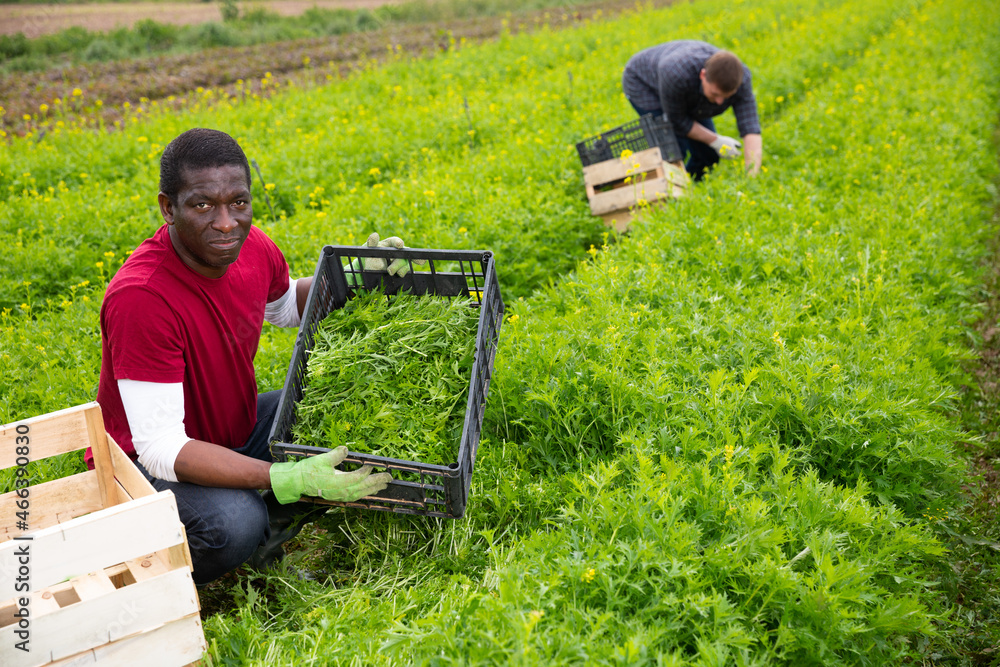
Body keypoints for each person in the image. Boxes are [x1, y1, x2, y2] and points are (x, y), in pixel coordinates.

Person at [90, 127, 400, 585]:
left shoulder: (251, 248)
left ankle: (266, 527)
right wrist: (282, 476)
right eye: (202, 205)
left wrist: (350, 280)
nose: (226, 222)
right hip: (138, 465)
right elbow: (159, 449)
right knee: (232, 526)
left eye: (238, 202)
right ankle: (155, 559)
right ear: (167, 208)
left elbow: (283, 306)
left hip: (226, 428)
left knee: (334, 407)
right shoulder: (143, 297)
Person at [622, 40, 762, 180]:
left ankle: (690, 189)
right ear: (703, 75)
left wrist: (751, 177)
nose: (720, 102)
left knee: (708, 154)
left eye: (727, 96)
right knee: (674, 149)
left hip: (687, 92)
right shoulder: (676, 73)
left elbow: (750, 127)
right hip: (644, 84)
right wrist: (716, 140)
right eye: (715, 94)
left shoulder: (740, 80)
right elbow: (677, 120)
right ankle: (665, 192)